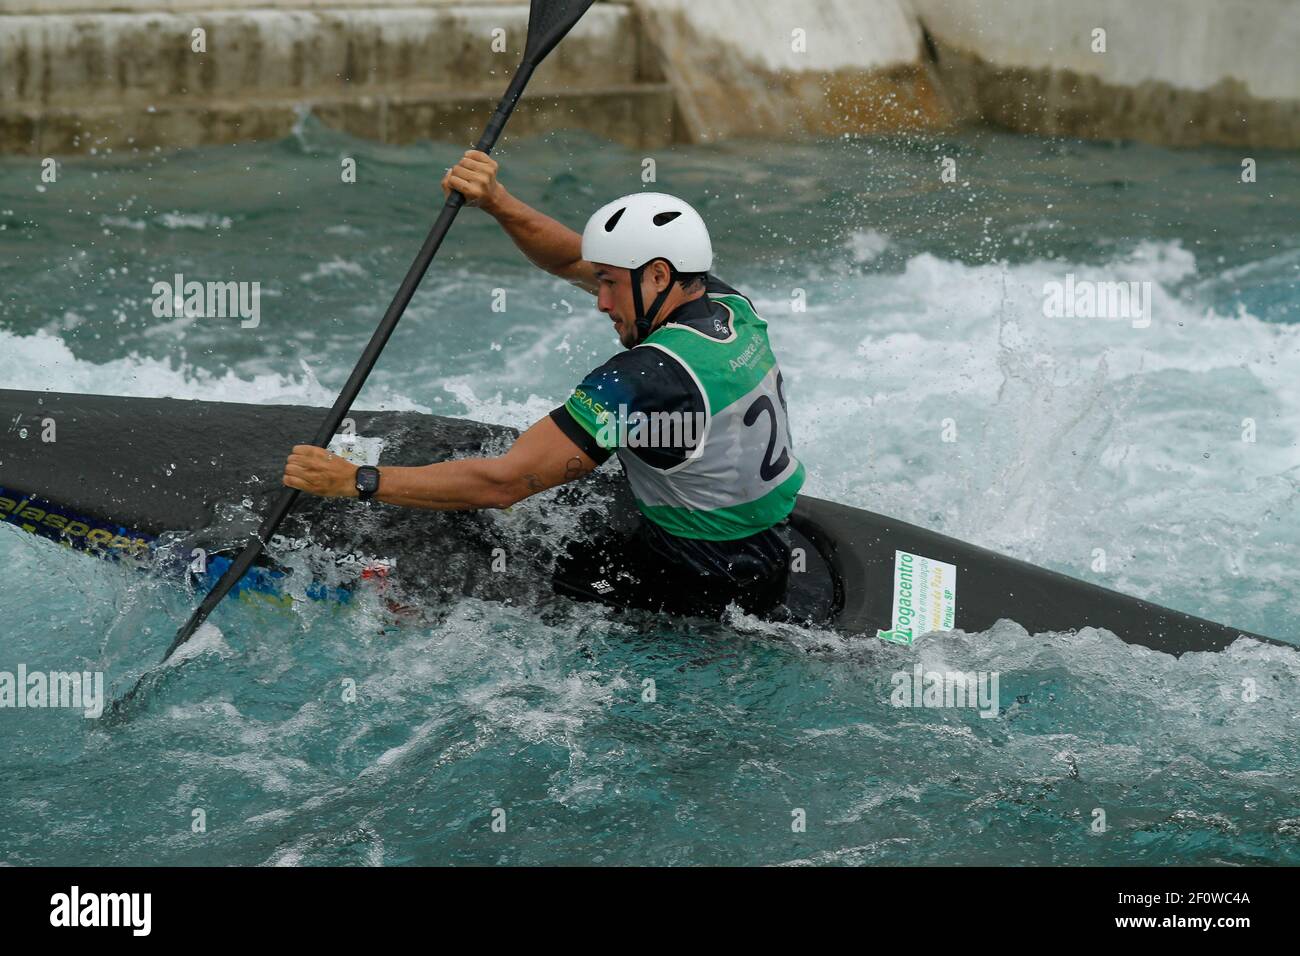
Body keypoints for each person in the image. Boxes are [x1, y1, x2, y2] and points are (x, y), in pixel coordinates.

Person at [283, 149, 804, 619]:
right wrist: (497, 201)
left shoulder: (647, 378)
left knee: (513, 573)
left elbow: (503, 484)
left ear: (659, 276)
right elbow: (570, 260)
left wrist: (356, 480)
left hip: (698, 580)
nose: (600, 302)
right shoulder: (728, 306)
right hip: (768, 544)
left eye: (609, 285)